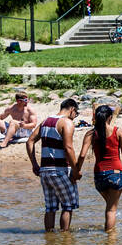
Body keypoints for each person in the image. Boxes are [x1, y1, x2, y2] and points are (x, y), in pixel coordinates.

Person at [25, 98, 81, 232]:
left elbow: (29, 141)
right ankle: (65, 239)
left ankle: (49, 239)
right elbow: (68, 148)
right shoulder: (66, 122)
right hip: (60, 170)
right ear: (72, 109)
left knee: (50, 208)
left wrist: (34, 164)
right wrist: (76, 170)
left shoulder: (46, 121)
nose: (75, 117)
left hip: (44, 171)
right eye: (76, 114)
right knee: (68, 206)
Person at [74, 104, 122, 231]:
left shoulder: (90, 134)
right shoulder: (118, 132)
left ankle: (109, 231)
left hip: (99, 175)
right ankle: (110, 240)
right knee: (111, 209)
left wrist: (77, 171)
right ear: (110, 117)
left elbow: (82, 155)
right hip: (116, 173)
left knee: (110, 205)